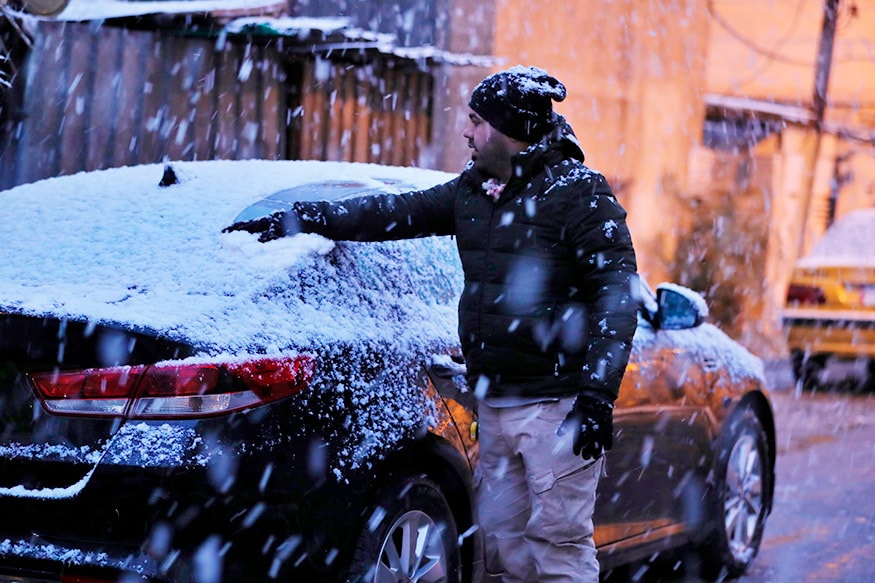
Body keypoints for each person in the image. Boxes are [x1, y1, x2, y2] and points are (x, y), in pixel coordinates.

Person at [224, 65, 639, 582]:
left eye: (474, 121)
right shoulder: (474, 191)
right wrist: (307, 217)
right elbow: (395, 213)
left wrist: (598, 396)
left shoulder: (580, 194)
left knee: (559, 548)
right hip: (495, 401)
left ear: (508, 128)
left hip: (556, 407)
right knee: (505, 552)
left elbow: (617, 296)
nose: (465, 132)